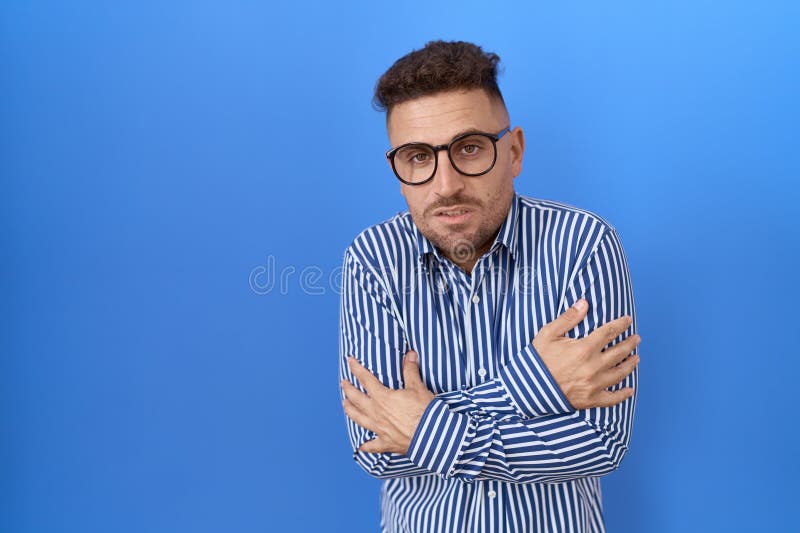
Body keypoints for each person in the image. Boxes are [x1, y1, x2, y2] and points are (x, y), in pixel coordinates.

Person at [338, 40, 639, 533]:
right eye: (418, 157)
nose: (446, 185)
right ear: (398, 169)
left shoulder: (584, 245)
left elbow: (602, 443)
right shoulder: (373, 259)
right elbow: (376, 449)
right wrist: (538, 381)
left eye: (470, 148)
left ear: (513, 151)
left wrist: (422, 424)